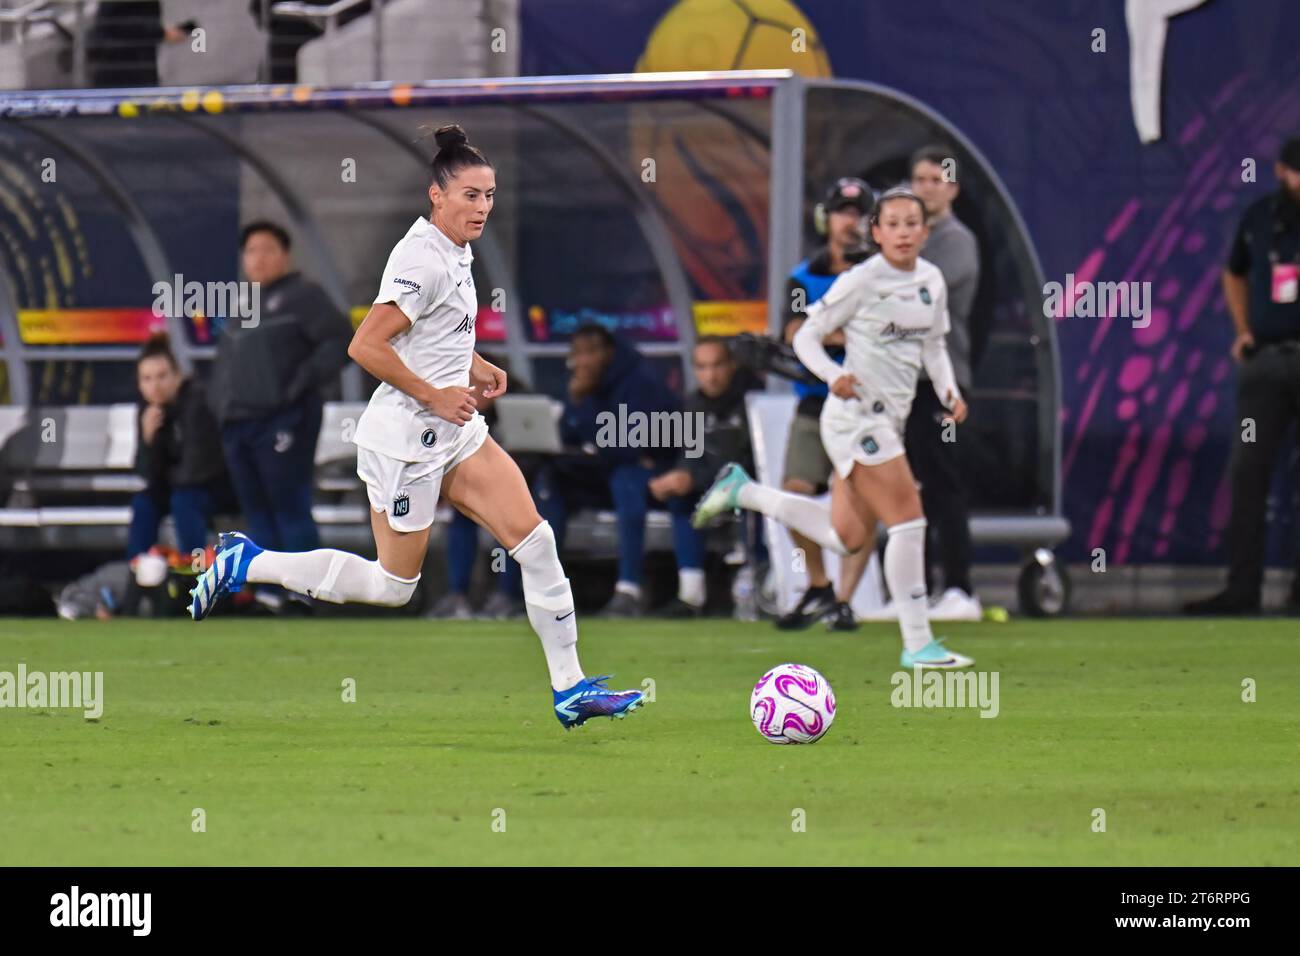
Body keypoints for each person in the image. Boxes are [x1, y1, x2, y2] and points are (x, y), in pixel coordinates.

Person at [187, 125, 643, 729]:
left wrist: (475, 366)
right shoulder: (420, 259)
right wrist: (435, 393)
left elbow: (434, 333)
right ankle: (248, 563)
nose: (482, 207)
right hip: (405, 442)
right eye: (470, 196)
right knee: (392, 587)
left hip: (453, 434)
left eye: (489, 195)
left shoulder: (456, 248)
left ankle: (570, 688)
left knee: (536, 542)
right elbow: (365, 346)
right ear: (437, 195)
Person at [693, 187, 976, 670]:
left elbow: (933, 347)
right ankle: (918, 643)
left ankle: (746, 493)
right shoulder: (861, 281)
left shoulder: (931, 280)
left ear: (925, 233)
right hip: (855, 418)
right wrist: (834, 375)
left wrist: (949, 391)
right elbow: (805, 335)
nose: (905, 232)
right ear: (878, 232)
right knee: (909, 518)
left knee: (845, 537)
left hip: (891, 418)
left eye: (913, 223)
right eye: (894, 223)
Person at [208, 220, 352, 612]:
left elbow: (341, 340)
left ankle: (308, 592)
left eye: (268, 249)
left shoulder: (305, 297)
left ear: (285, 255)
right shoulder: (241, 305)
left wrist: (298, 385)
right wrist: (220, 409)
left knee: (289, 505)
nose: (259, 258)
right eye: (252, 251)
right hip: (240, 423)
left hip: (286, 421)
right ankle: (270, 592)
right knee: (256, 510)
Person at [1185, 136, 1300, 616]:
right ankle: (1242, 590)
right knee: (1248, 473)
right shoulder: (1260, 218)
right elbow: (1234, 272)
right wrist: (1243, 330)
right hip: (1268, 361)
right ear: (1282, 171)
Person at [775, 177, 875, 631]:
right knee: (794, 491)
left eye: (857, 213)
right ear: (827, 218)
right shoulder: (804, 275)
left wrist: (823, 332)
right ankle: (818, 584)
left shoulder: (879, 271)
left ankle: (844, 597)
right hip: (817, 400)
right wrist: (840, 334)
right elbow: (794, 334)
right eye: (842, 212)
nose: (849, 222)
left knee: (856, 499)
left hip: (868, 404)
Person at [537, 324, 681, 617]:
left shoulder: (640, 380)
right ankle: (542, 589)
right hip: (605, 470)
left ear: (609, 352)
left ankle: (629, 589)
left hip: (657, 476)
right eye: (578, 354)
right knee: (550, 481)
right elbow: (570, 436)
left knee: (626, 479)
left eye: (591, 352)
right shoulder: (582, 384)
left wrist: (589, 421)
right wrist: (578, 402)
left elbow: (631, 446)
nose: (584, 361)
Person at [907, 145, 983, 620]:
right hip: (900, 383)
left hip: (941, 383)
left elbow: (918, 297)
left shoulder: (956, 241)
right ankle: (915, 592)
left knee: (942, 485)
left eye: (936, 179)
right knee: (906, 489)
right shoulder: (906, 239)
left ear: (953, 188)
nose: (926, 187)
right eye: (919, 179)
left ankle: (959, 588)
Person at [647, 336, 763, 617]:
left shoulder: (753, 401)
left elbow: (751, 461)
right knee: (678, 498)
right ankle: (691, 594)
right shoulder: (692, 404)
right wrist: (678, 477)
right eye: (702, 367)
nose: (710, 375)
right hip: (708, 490)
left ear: (732, 366)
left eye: (717, 366)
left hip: (751, 488)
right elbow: (690, 456)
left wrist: (693, 478)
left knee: (754, 503)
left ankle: (756, 586)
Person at [129, 333, 232, 561]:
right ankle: (139, 574)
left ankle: (192, 574)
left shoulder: (197, 402)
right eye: (147, 379)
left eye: (162, 376)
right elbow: (145, 474)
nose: (155, 386)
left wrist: (164, 477)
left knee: (184, 501)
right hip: (178, 487)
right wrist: (148, 440)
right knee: (144, 503)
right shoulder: (148, 411)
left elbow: (197, 470)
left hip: (217, 487)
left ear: (177, 376)